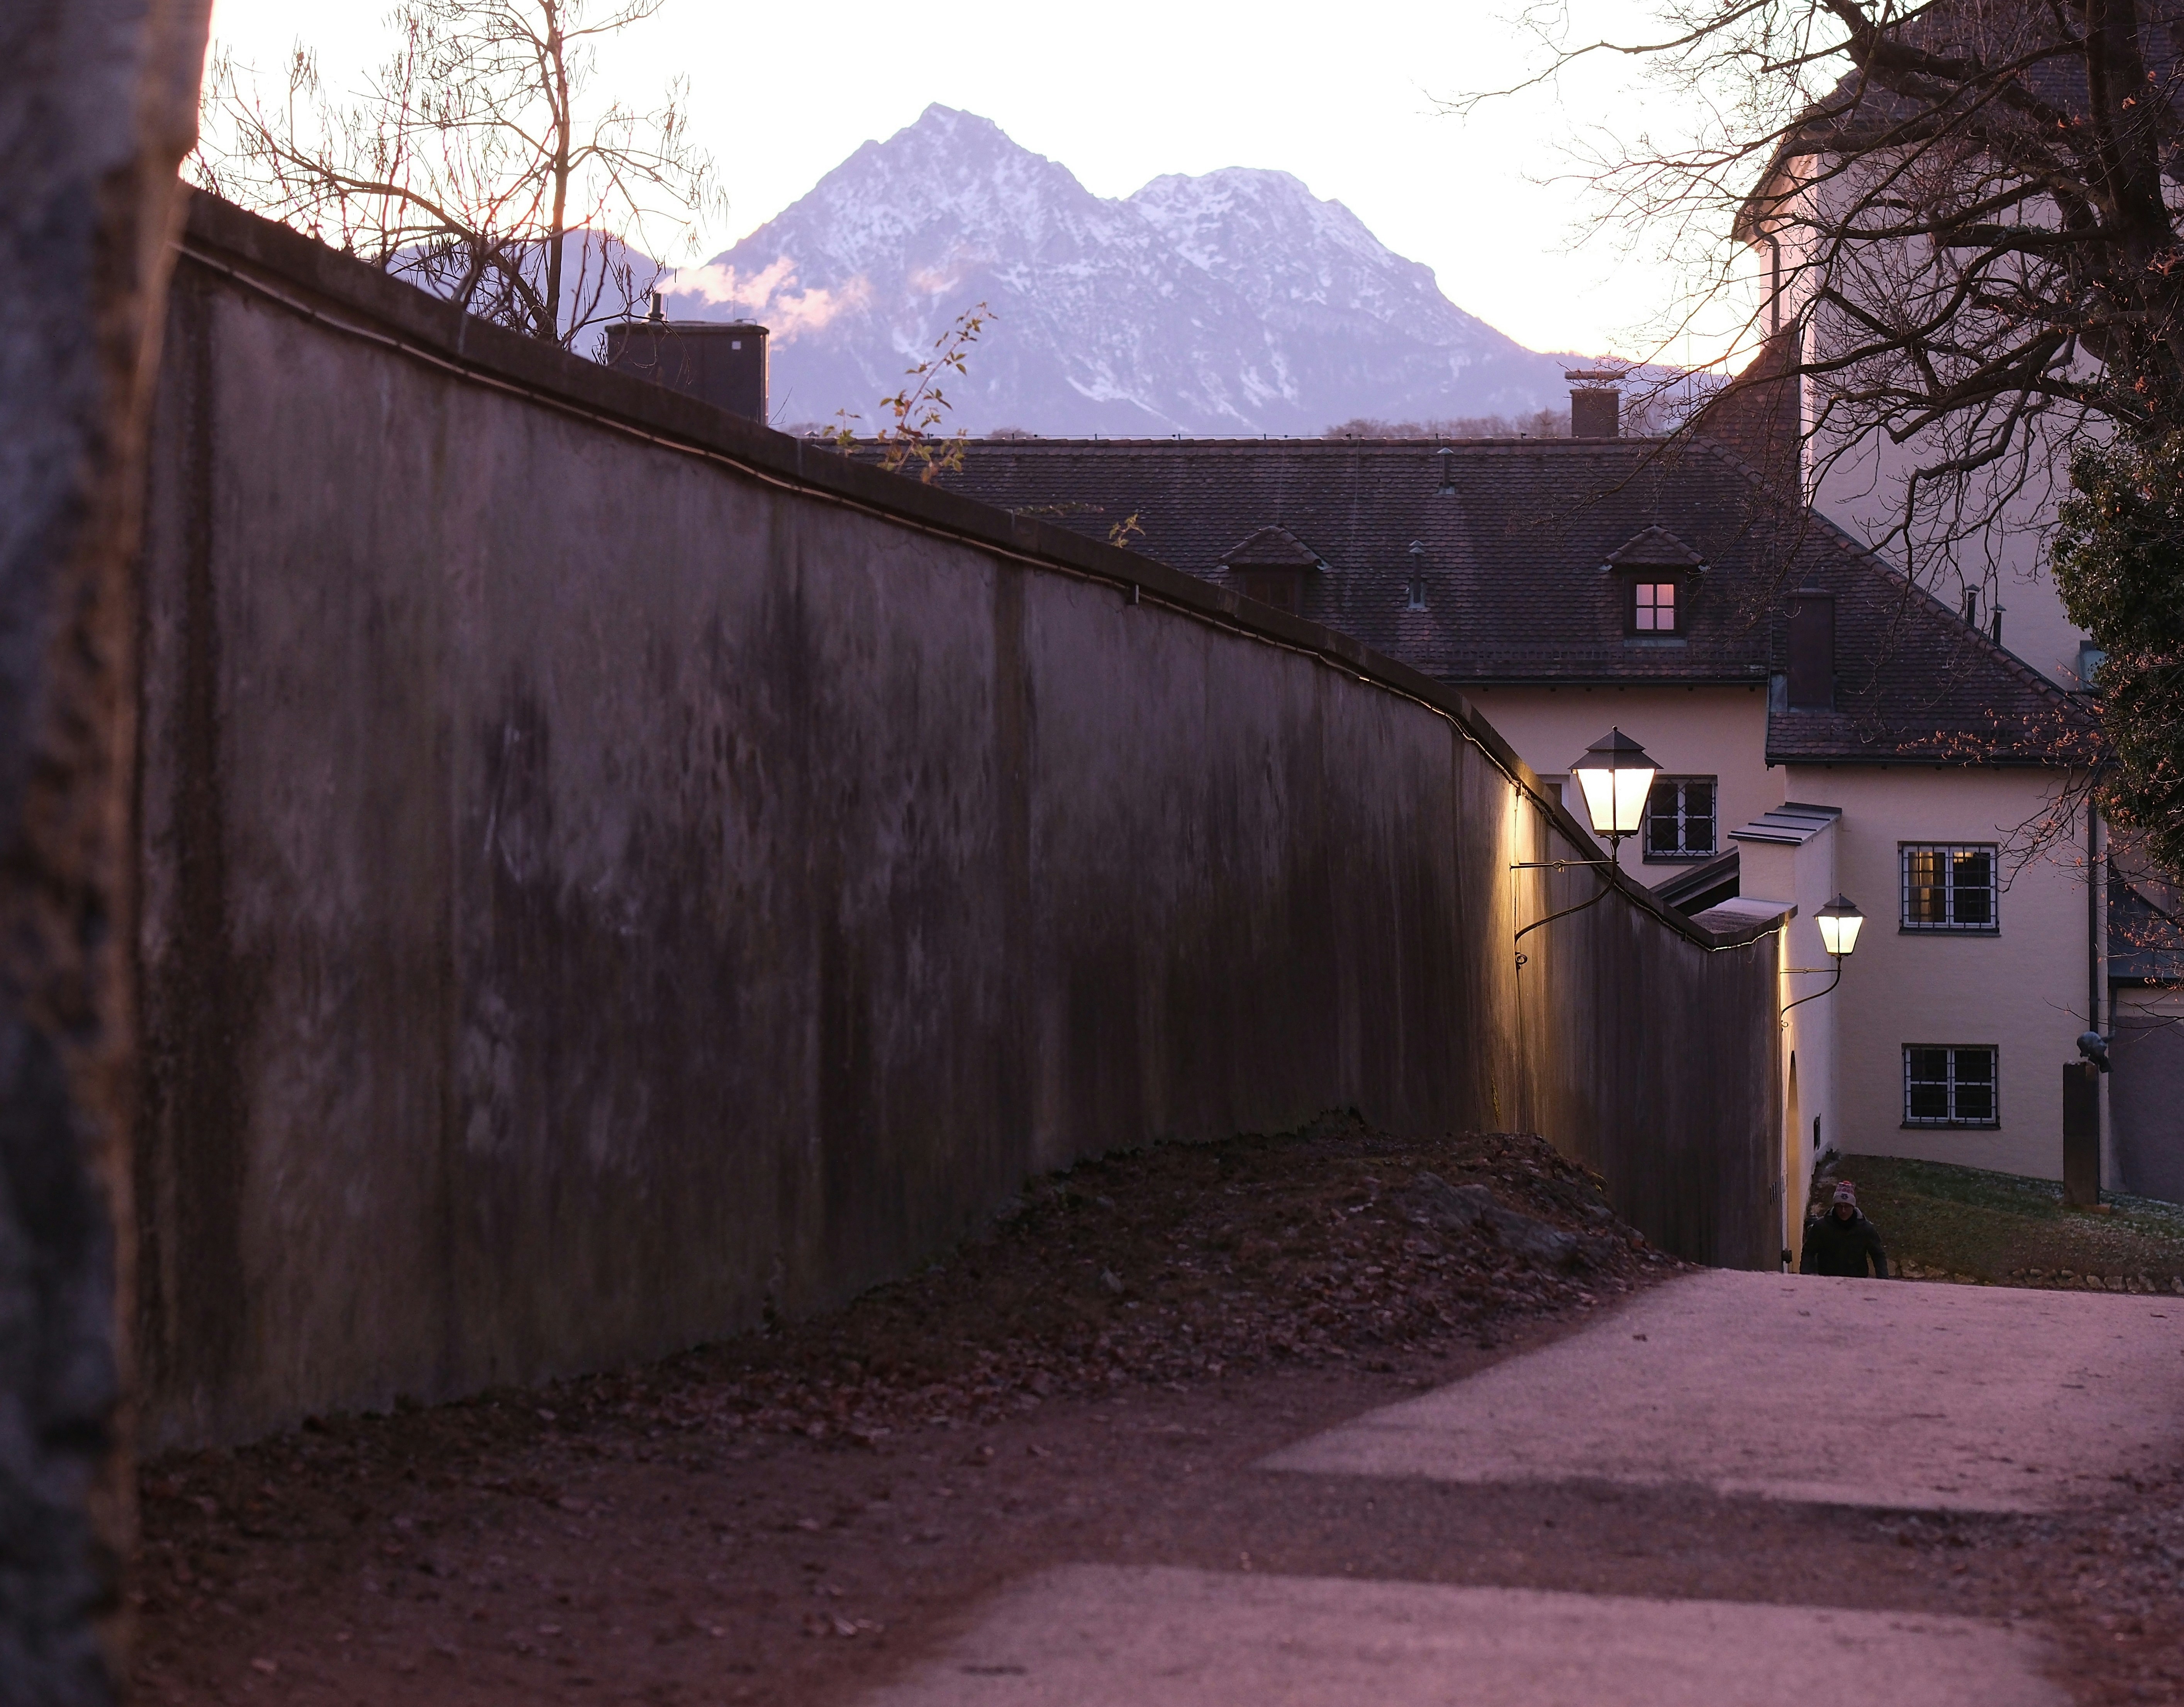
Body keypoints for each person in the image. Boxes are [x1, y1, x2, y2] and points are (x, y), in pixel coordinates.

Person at [1798, 1181, 1889, 1278]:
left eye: (1847, 1206)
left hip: (1857, 1281)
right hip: (1828, 1281)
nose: (1843, 1211)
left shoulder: (1865, 1229)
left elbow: (1878, 1255)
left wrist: (1883, 1280)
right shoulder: (1822, 1227)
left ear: (1853, 1207)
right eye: (1839, 1206)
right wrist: (1806, 1277)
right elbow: (1809, 1252)